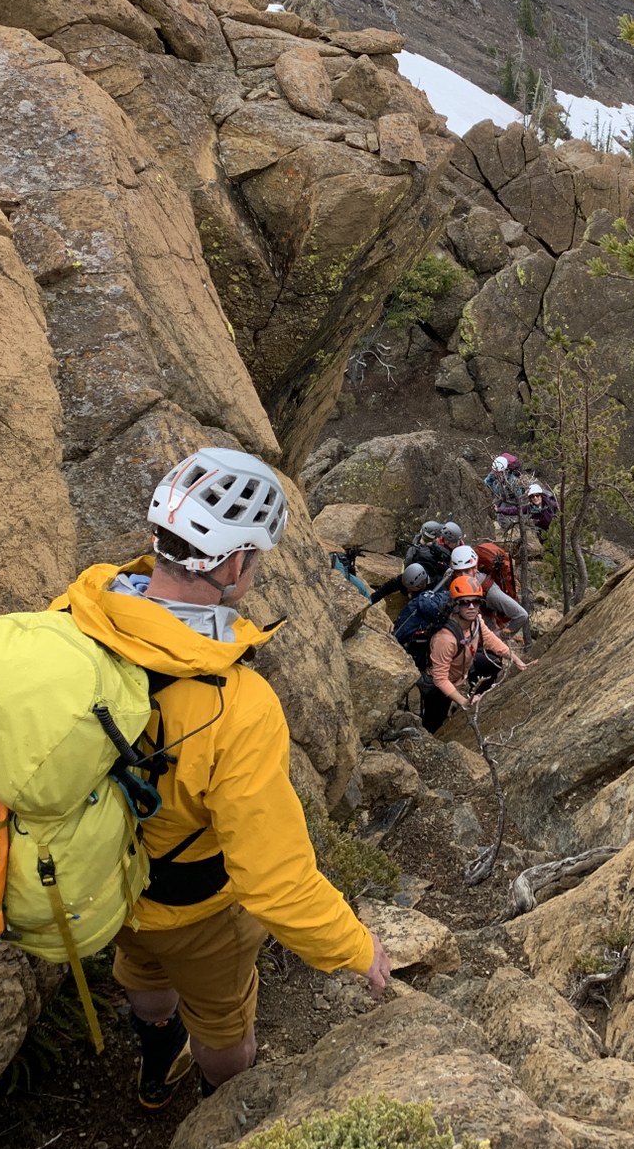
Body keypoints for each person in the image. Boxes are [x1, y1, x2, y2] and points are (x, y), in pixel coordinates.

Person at [53, 447, 391, 1109]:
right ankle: (220, 1109)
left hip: (97, 880)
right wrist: (353, 944)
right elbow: (274, 879)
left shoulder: (75, 613)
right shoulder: (235, 704)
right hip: (197, 908)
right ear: (235, 563)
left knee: (141, 971)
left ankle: (155, 1065)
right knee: (223, 1022)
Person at [418, 573, 530, 732]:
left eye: (476, 602)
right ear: (456, 605)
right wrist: (463, 702)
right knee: (434, 723)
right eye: (465, 603)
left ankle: (476, 694)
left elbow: (490, 640)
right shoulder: (445, 638)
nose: (471, 607)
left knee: (492, 663)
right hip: (440, 684)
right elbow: (440, 679)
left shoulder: (476, 621)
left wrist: (516, 659)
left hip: (462, 667)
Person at [442, 542, 527, 635]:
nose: (462, 576)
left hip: (486, 638)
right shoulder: (449, 577)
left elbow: (521, 615)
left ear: (475, 569)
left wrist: (500, 636)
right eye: (458, 572)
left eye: (466, 571)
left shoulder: (488, 589)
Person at [484, 453, 531, 522]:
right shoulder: (493, 473)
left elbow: (519, 496)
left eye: (497, 472)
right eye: (494, 471)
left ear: (504, 470)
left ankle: (506, 528)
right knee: (492, 508)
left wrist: (512, 508)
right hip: (500, 495)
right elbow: (486, 482)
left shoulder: (512, 481)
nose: (494, 473)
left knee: (501, 516)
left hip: (510, 499)